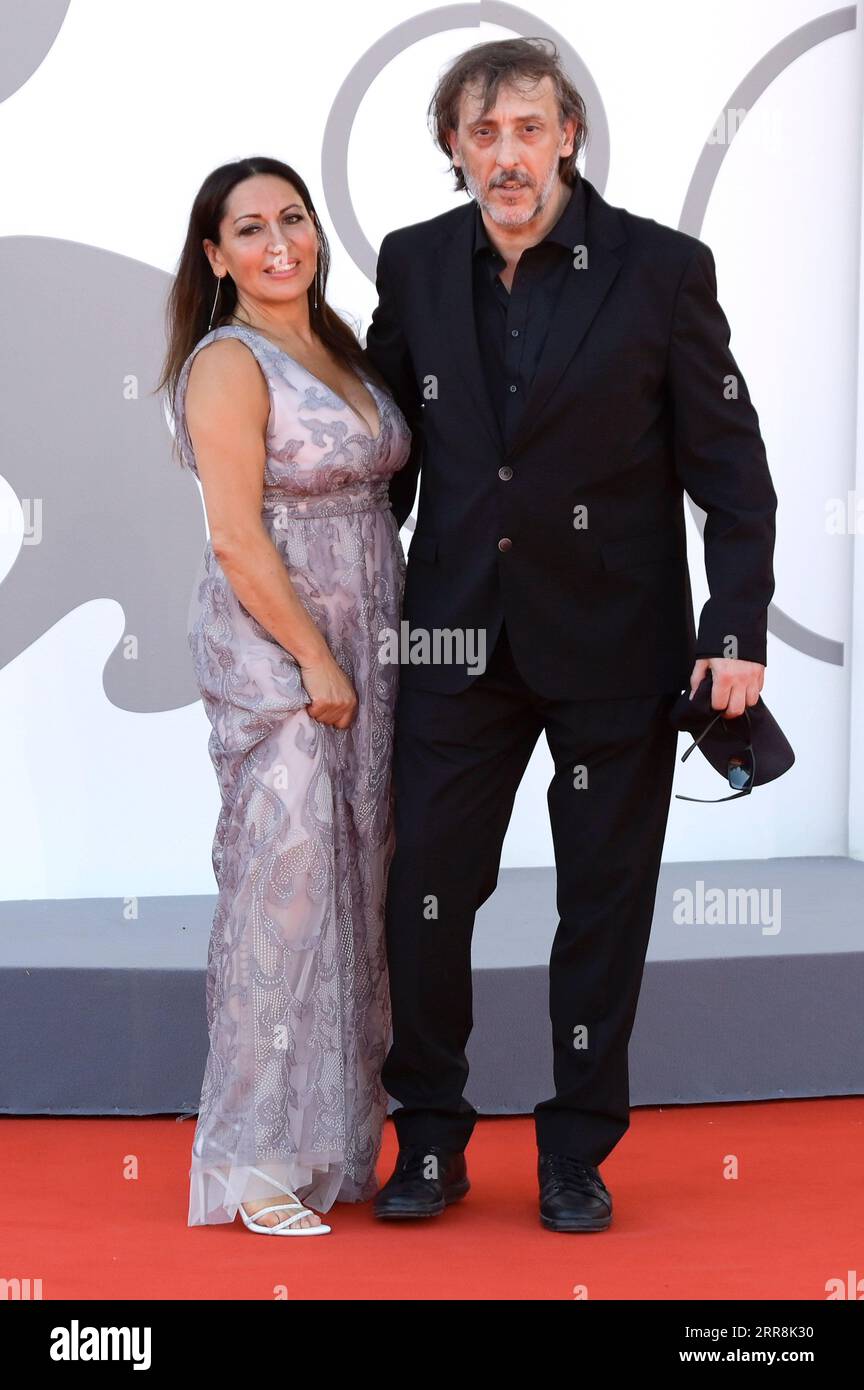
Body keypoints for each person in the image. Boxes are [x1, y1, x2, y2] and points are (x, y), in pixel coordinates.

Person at [363, 38, 777, 1232]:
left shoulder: (660, 269)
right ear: (454, 146)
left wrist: (735, 624)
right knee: (425, 892)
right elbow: (391, 466)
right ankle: (430, 1137)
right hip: (449, 642)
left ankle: (575, 1149)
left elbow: (730, 468)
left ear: (568, 137)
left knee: (603, 900)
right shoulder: (414, 264)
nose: (507, 154)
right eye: (482, 132)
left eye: (529, 129)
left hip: (616, 643)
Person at [158, 156, 411, 1234]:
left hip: (370, 645)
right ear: (215, 257)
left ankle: (334, 1138)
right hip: (281, 656)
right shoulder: (228, 360)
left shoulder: (341, 347)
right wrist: (313, 656)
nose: (279, 241)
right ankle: (256, 1159)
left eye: (293, 217)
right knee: (286, 889)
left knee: (358, 887)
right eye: (249, 227)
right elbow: (233, 535)